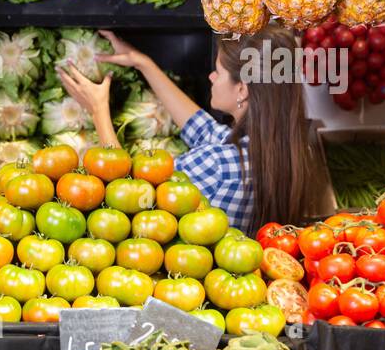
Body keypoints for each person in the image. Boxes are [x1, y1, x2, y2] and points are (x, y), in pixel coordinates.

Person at [57, 27, 325, 234]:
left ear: (242, 89)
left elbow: (130, 195)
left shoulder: (218, 164)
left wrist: (97, 110)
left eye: (218, 72)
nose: (211, 77)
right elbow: (203, 128)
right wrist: (143, 64)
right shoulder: (287, 147)